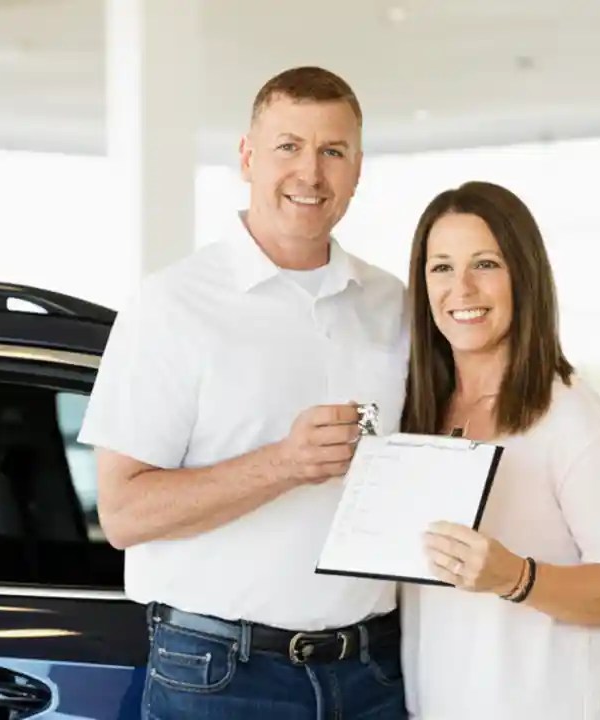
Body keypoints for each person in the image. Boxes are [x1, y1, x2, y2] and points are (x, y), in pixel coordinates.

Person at [78, 66, 410, 719]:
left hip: (374, 674)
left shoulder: (392, 303)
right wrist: (284, 463)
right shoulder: (172, 304)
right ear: (248, 158)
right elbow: (123, 514)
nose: (310, 173)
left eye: (332, 151)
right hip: (221, 678)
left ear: (358, 168)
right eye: (288, 146)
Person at [397, 181, 600, 718]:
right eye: (440, 268)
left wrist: (516, 576)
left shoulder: (574, 419)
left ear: (524, 276)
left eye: (485, 264)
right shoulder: (421, 417)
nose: (460, 288)